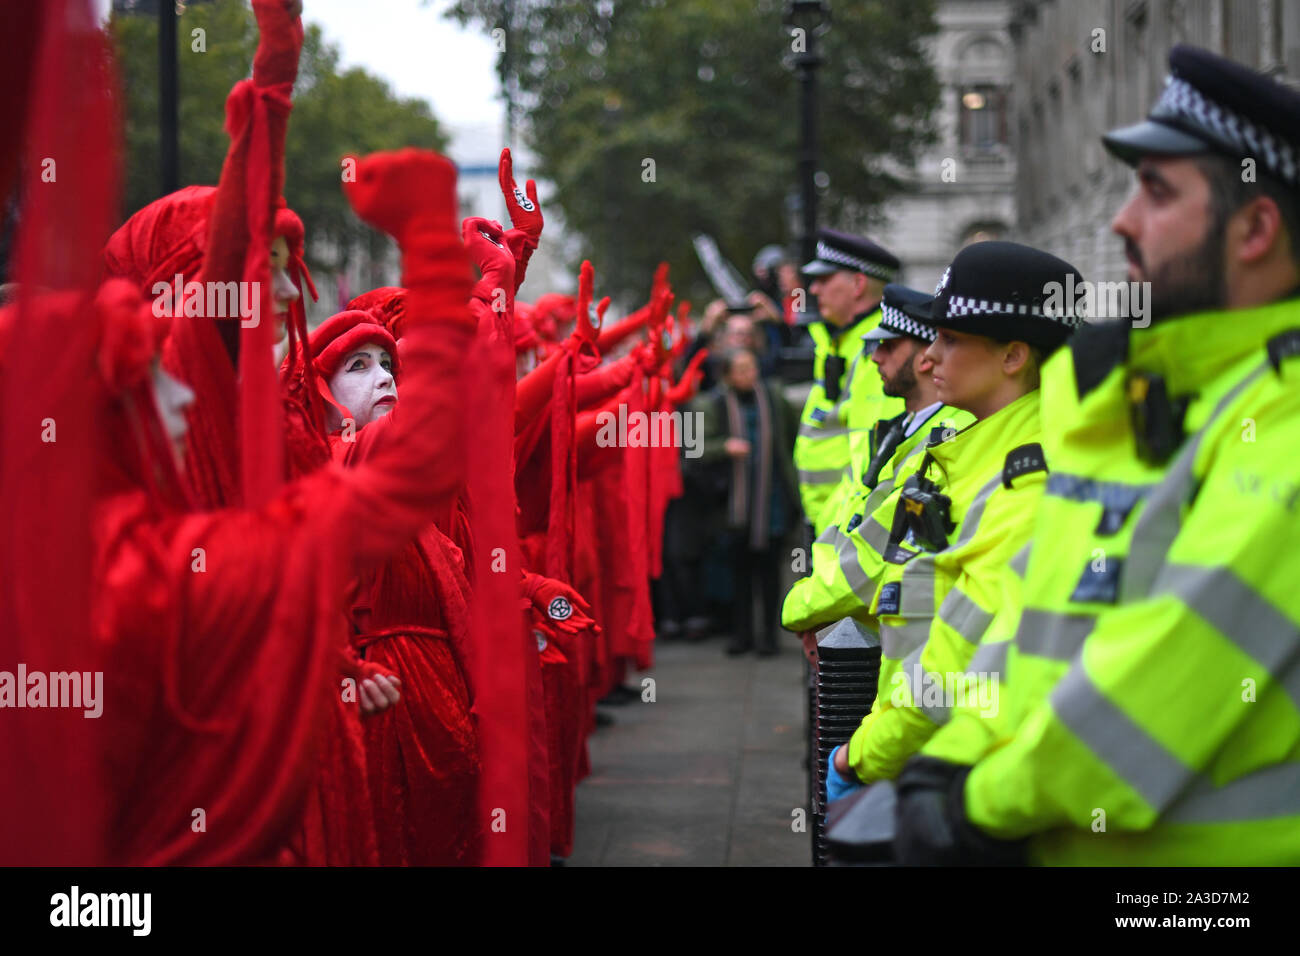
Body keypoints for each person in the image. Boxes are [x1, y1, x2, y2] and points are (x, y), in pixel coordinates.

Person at [893, 44, 1300, 865]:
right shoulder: (1155, 395)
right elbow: (1037, 621)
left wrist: (973, 803)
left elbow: (1159, 678)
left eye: (1155, 192)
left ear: (1255, 227)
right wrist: (950, 754)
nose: (1121, 221)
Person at [823, 241, 1083, 800]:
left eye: (949, 339)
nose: (927, 358)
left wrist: (858, 759)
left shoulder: (1025, 480)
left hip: (942, 776)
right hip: (922, 760)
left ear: (1013, 356)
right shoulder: (975, 451)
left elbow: (956, 663)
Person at [781, 283, 973, 634]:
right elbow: (851, 517)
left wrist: (801, 606)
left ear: (925, 356)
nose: (874, 357)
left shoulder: (942, 440)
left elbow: (874, 555)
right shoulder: (902, 427)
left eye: (889, 345)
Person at [794, 228, 904, 538]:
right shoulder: (838, 341)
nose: (813, 290)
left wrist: (832, 529)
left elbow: (872, 463)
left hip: (843, 530)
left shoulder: (880, 350)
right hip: (826, 523)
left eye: (824, 280)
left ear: (857, 284)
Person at [691, 348, 800, 655]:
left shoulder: (774, 399)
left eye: (751, 367)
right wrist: (724, 447)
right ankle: (742, 636)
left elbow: (792, 439)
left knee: (770, 572)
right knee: (738, 573)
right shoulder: (712, 403)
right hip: (733, 506)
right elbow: (694, 447)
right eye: (740, 369)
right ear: (727, 375)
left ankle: (769, 637)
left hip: (772, 501)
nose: (748, 374)